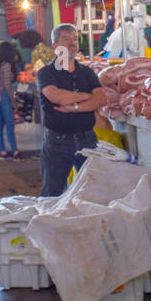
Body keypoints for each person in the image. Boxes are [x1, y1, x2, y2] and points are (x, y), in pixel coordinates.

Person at [37, 23, 105, 197]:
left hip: (87, 138)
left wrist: (75, 106)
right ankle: (50, 224)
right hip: (57, 141)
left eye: (75, 39)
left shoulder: (87, 73)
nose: (72, 43)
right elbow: (56, 96)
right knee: (52, 193)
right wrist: (87, 95)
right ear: (55, 46)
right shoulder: (46, 73)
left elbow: (101, 98)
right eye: (66, 39)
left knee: (92, 190)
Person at [0, 40, 22, 159]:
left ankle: (2, 150)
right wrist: (14, 103)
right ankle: (15, 151)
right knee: (10, 124)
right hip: (4, 97)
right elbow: (7, 86)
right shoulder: (7, 66)